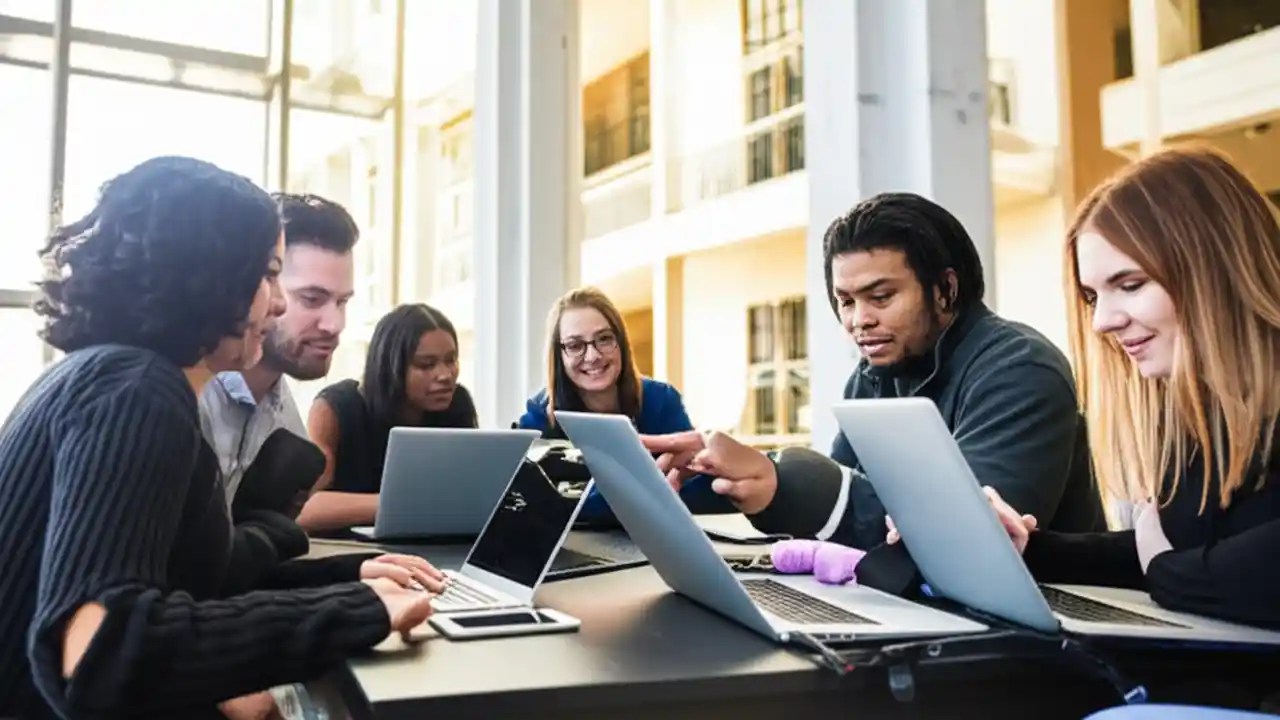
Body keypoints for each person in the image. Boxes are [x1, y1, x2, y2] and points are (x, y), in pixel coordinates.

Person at [0, 157, 442, 719]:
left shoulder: (110, 376)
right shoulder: (136, 390)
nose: (276, 302)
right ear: (209, 279)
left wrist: (345, 577)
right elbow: (102, 654)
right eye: (266, 275)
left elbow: (190, 576)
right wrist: (354, 612)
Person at [645, 193, 1105, 550]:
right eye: (846, 301)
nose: (858, 320)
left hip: (1043, 643)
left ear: (945, 289)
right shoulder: (873, 376)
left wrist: (778, 480)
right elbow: (847, 502)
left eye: (880, 297)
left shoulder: (1021, 370)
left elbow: (965, 537)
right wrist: (724, 468)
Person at [979, 147, 1280, 629]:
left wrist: (1167, 572)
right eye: (1094, 296)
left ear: (1213, 269)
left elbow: (1225, 572)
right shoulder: (1203, 420)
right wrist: (1027, 549)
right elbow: (1166, 549)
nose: (1102, 322)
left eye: (1132, 284)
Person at [199, 192, 358, 506]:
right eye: (312, 299)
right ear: (260, 287)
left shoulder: (282, 412)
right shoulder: (186, 394)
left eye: (342, 302)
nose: (334, 323)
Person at [517, 286, 727, 517]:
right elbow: (530, 504)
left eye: (604, 339)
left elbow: (701, 494)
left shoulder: (661, 400)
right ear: (559, 355)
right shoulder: (540, 414)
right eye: (575, 346)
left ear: (621, 343)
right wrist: (641, 489)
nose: (593, 356)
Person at [299, 303, 479, 533]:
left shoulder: (457, 403)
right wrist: (405, 505)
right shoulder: (337, 407)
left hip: (430, 544)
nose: (445, 375)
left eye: (451, 360)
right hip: (348, 548)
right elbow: (303, 508)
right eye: (427, 364)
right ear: (391, 366)